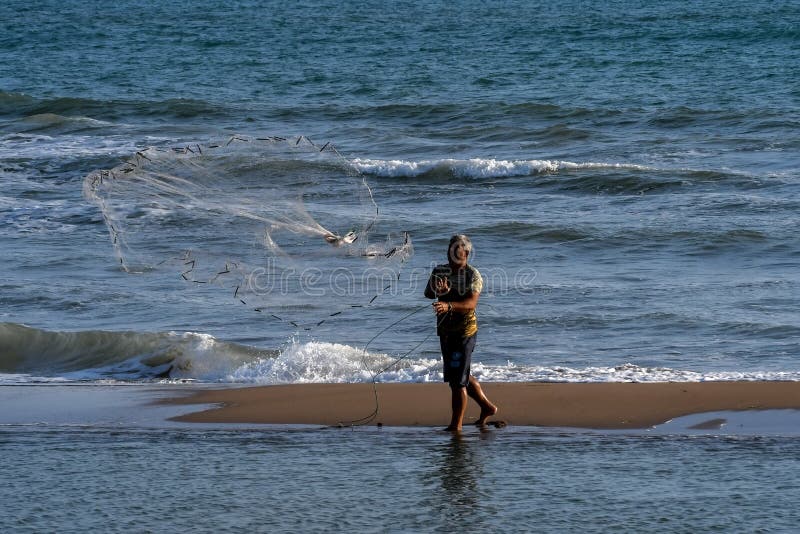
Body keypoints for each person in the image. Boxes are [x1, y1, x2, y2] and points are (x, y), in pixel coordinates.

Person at [425, 234, 498, 431]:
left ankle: (455, 427)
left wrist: (448, 303)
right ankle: (487, 407)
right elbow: (428, 294)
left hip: (464, 332)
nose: (452, 259)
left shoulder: (473, 275)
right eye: (449, 254)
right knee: (458, 375)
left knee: (457, 382)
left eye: (456, 254)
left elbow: (470, 303)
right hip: (445, 331)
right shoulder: (440, 270)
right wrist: (439, 289)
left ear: (466, 253)